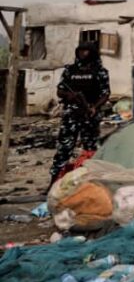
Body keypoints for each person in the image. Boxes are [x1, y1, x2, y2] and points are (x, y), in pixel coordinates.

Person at [49, 43, 110, 186]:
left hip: (89, 115)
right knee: (64, 149)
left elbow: (105, 94)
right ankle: (54, 181)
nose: (83, 53)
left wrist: (95, 107)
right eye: (81, 50)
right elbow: (60, 90)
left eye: (86, 50)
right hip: (71, 115)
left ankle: (92, 181)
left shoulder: (100, 71)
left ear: (93, 53)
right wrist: (69, 95)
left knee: (90, 150)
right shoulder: (70, 70)